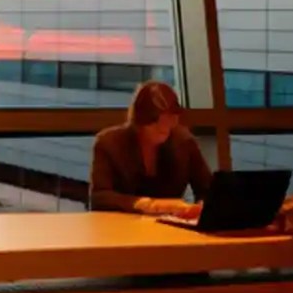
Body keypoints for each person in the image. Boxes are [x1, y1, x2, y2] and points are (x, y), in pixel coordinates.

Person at [89, 80, 213, 216]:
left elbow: (207, 190)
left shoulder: (184, 142)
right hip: (121, 228)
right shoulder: (109, 143)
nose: (164, 126)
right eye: (156, 119)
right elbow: (99, 198)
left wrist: (201, 208)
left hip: (170, 229)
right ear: (140, 118)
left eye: (171, 118)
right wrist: (148, 205)